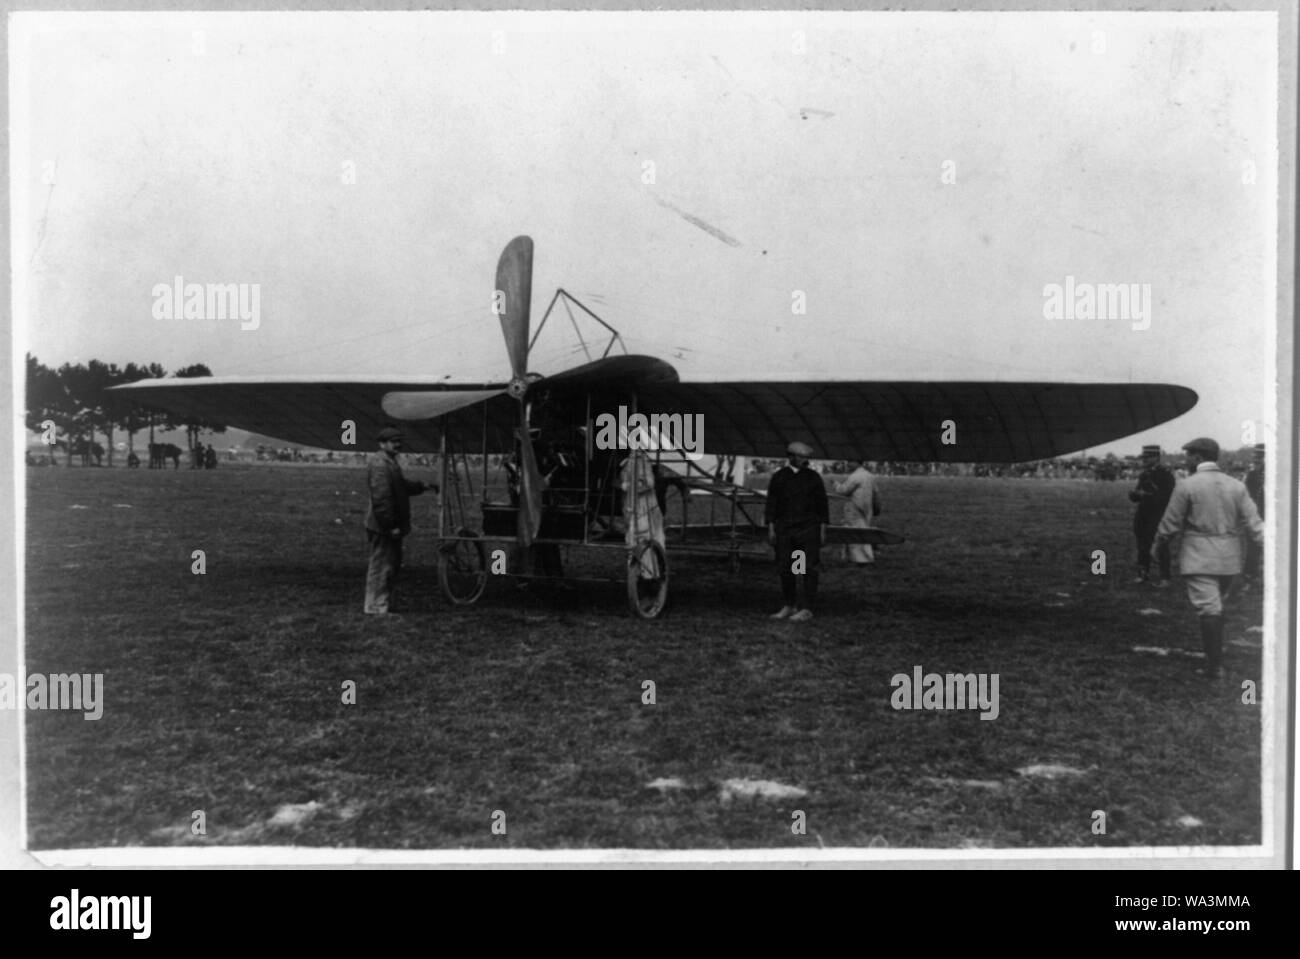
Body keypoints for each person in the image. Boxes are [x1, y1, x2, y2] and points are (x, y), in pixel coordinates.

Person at [1154, 437, 1264, 678]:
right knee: (1217, 607)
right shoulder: (1237, 486)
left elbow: (1170, 523)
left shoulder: (1187, 485)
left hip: (1198, 556)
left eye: (1188, 456)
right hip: (1230, 558)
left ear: (1197, 458)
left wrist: (1159, 544)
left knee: (1209, 610)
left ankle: (1214, 666)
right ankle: (1215, 659)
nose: (1185, 460)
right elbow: (1255, 525)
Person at [364, 426, 436, 615]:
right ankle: (375, 607)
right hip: (383, 527)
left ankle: (383, 604)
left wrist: (423, 486)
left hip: (388, 525)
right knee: (381, 566)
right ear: (382, 444)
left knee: (390, 566)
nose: (398, 444)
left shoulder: (389, 462)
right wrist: (390, 526)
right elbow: (381, 500)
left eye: (399, 440)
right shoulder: (380, 464)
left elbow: (401, 486)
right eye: (393, 441)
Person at [764, 440, 829, 622]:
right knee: (787, 568)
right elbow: (771, 504)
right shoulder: (779, 477)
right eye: (801, 457)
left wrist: (822, 530)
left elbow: (822, 506)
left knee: (805, 568)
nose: (805, 461)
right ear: (790, 457)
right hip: (785, 531)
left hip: (807, 531)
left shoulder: (813, 478)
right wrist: (771, 528)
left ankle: (807, 607)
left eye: (806, 458)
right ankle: (789, 605)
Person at [1128, 444, 1175, 586]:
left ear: (1156, 457)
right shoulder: (1144, 474)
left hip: (1158, 514)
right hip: (1143, 513)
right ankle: (1143, 574)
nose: (1144, 460)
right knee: (1142, 544)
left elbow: (1166, 496)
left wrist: (1146, 496)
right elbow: (1138, 493)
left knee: (1161, 545)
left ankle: (1165, 577)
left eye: (1147, 458)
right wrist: (1134, 495)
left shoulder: (1166, 474)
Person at [620, 448, 665, 578]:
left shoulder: (644, 462)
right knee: (632, 538)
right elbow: (623, 481)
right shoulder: (627, 463)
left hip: (645, 505)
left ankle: (650, 572)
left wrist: (635, 486)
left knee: (645, 536)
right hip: (632, 505)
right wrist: (628, 485)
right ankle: (635, 570)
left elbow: (649, 483)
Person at [834, 457, 881, 567]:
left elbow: (843, 491)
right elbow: (876, 493)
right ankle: (860, 556)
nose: (848, 464)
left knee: (853, 532)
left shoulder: (855, 476)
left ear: (856, 463)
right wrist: (876, 507)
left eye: (850, 462)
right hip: (866, 508)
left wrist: (835, 484)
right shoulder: (870, 476)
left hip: (854, 508)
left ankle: (861, 559)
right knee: (863, 530)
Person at [1243, 443, 1265, 580]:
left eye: (1260, 456)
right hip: (1255, 514)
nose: (1256, 460)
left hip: (1268, 514)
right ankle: (1251, 571)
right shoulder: (1252, 474)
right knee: (1252, 543)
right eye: (1255, 457)